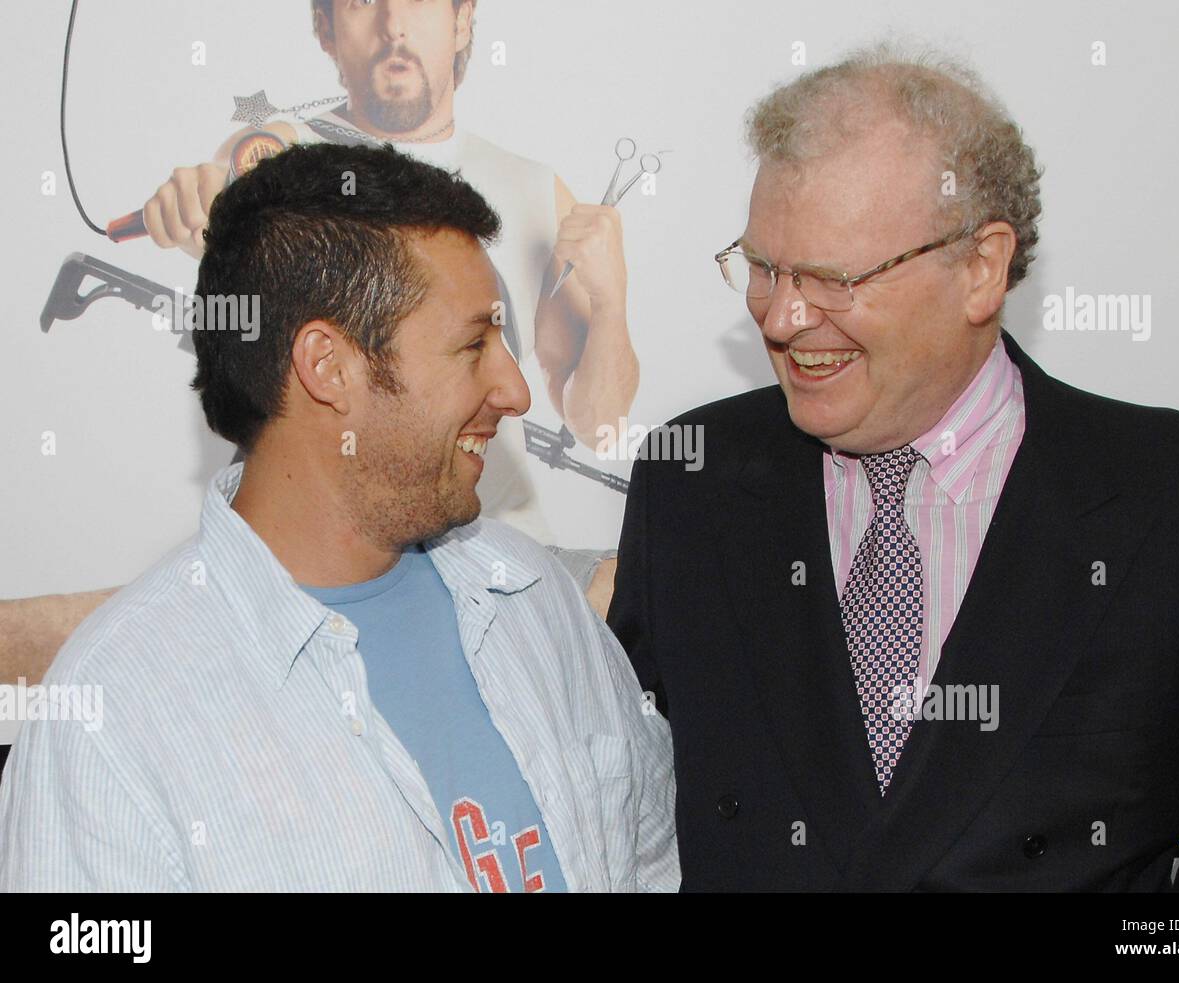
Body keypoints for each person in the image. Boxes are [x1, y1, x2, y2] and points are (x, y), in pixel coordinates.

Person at [606, 44, 1179, 891]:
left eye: (830, 278)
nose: (783, 318)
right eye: (762, 268)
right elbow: (628, 830)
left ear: (980, 268)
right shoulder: (690, 485)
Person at [0, 142, 677, 892]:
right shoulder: (113, 725)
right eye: (473, 344)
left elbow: (653, 863)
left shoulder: (534, 599)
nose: (515, 391)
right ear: (327, 367)